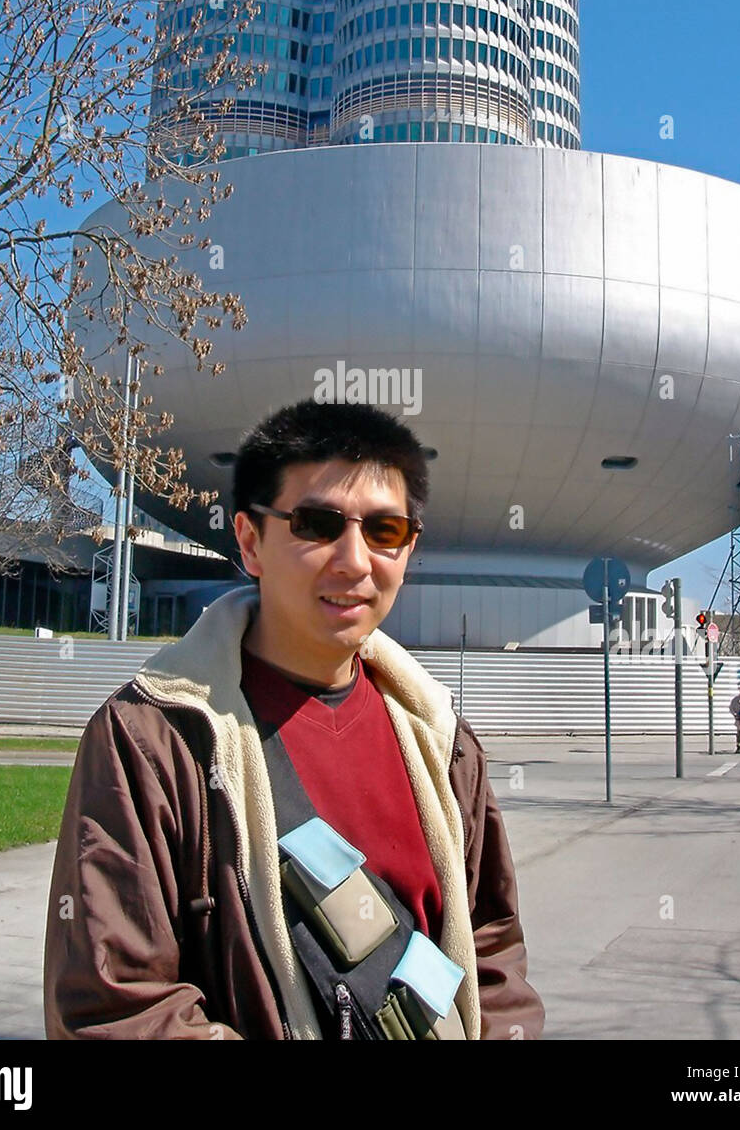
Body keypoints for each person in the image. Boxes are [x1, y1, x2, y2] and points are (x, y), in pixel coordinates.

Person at [43, 399, 544, 1040]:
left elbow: (491, 952)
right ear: (250, 541)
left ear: (409, 547)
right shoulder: (154, 741)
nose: (355, 561)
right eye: (316, 524)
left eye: (385, 530)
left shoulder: (443, 743)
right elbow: (119, 1007)